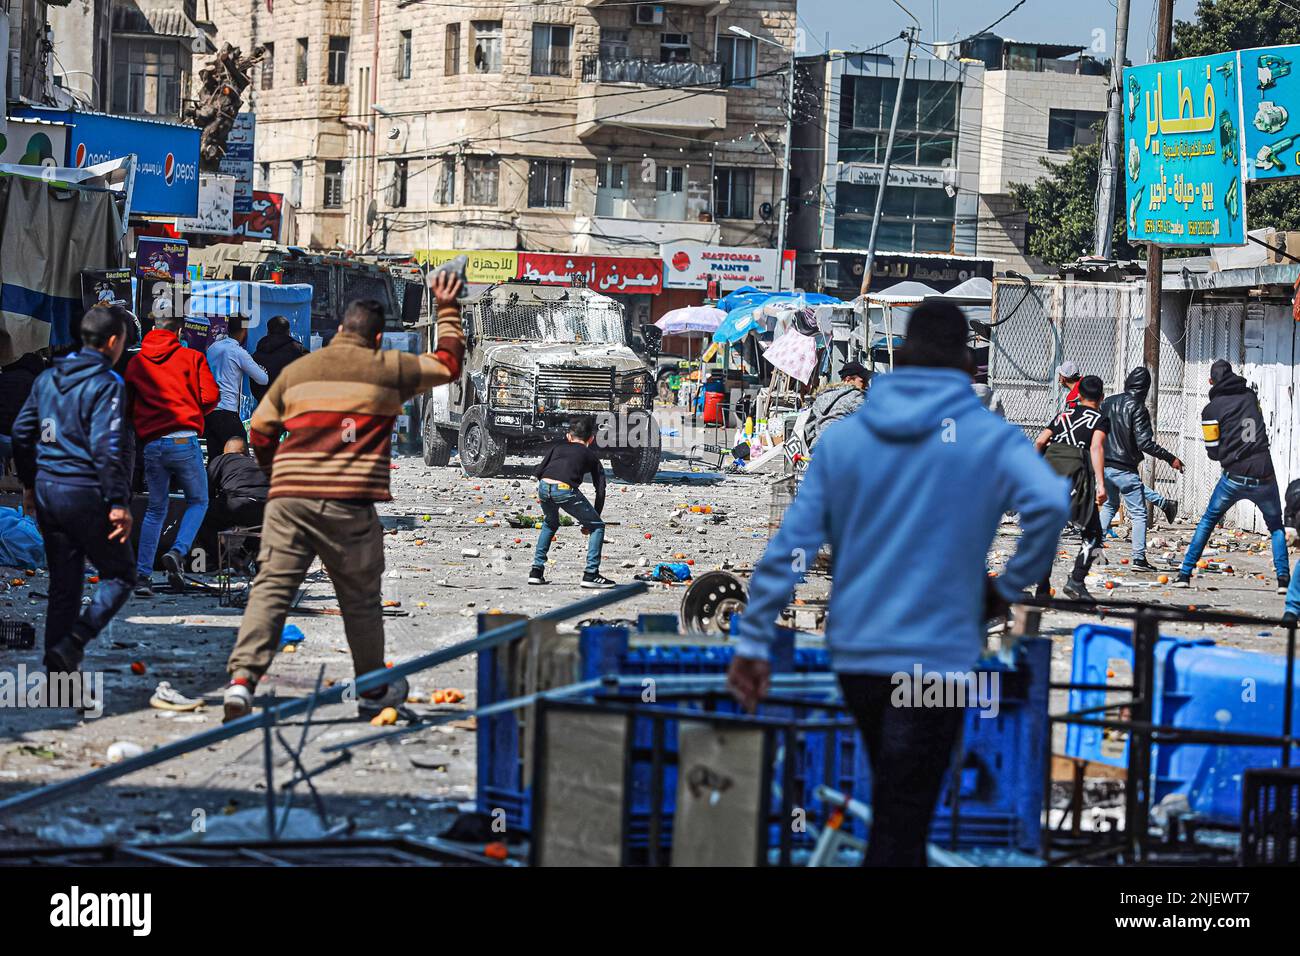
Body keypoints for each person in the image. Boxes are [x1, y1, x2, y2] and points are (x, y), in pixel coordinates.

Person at [727, 301, 1069, 867]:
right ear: (967, 363)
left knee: (896, 800)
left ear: (902, 359)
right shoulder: (990, 439)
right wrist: (1006, 587)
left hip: (858, 652)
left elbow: (792, 549)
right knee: (905, 811)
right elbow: (1052, 505)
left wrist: (755, 638)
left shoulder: (846, 441)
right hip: (937, 654)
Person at [223, 277, 466, 722]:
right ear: (376, 338)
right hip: (348, 504)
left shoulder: (299, 371)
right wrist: (447, 305)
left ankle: (240, 683)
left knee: (272, 590)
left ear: (338, 331)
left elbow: (259, 431)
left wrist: (275, 471)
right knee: (360, 600)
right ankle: (372, 687)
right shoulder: (388, 367)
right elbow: (449, 364)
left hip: (289, 500)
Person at [10, 307, 135, 676]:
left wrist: (30, 485)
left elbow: (21, 433)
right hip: (87, 492)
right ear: (113, 342)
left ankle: (57, 669)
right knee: (121, 575)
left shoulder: (47, 379)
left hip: (49, 491)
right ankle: (75, 641)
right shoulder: (108, 383)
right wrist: (118, 503)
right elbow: (107, 445)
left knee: (64, 584)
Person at [125, 311, 221, 596]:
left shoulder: (137, 362)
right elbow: (210, 397)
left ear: (153, 329)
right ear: (179, 332)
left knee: (156, 509)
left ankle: (143, 576)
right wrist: (191, 416)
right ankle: (178, 552)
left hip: (153, 444)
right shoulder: (192, 358)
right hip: (184, 441)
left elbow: (128, 406)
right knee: (199, 500)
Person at [1176, 360, 1289, 591]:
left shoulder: (1211, 410)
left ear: (1210, 382)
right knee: (1276, 526)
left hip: (1234, 476)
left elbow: (1212, 451)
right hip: (1263, 471)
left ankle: (1184, 574)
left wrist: (1228, 451)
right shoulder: (1250, 397)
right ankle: (1283, 581)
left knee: (1208, 521)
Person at [1098, 367, 1184, 571]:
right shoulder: (1138, 407)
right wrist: (1170, 458)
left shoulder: (1108, 402)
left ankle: (1095, 553)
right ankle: (1138, 559)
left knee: (1109, 507)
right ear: (1146, 387)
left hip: (1105, 465)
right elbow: (1145, 443)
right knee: (1138, 514)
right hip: (1125, 468)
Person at [1034, 375, 1109, 601]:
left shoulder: (1062, 415)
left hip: (1048, 477)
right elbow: (1096, 448)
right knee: (1093, 533)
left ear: (1079, 395)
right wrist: (1101, 485)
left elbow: (1039, 442)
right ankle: (1076, 580)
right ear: (1101, 397)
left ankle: (1042, 589)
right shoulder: (1100, 419)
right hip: (1076, 480)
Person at [528, 416, 613, 589]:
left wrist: (536, 475)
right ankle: (591, 574)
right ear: (591, 439)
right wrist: (593, 520)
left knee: (550, 523)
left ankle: (536, 572)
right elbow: (601, 490)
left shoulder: (558, 446)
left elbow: (542, 466)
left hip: (544, 487)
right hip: (564, 489)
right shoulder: (591, 455)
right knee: (598, 527)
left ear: (568, 436)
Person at [204, 315, 268, 462]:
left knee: (215, 459)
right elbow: (262, 379)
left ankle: (213, 485)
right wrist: (263, 369)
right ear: (244, 330)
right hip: (227, 412)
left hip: (210, 413)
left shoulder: (213, 348)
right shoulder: (238, 352)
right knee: (240, 456)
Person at [207, 435, 269, 529]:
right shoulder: (259, 463)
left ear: (225, 452)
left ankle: (214, 543)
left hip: (237, 505)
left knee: (201, 511)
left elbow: (207, 487)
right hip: (265, 509)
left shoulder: (224, 459)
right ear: (246, 452)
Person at [804, 360, 868, 447]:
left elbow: (809, 428)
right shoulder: (855, 395)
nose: (866, 385)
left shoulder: (821, 398)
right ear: (848, 379)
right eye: (863, 381)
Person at [250, 314, 307, 404]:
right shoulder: (299, 351)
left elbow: (254, 384)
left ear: (268, 332)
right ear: (288, 332)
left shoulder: (257, 354)